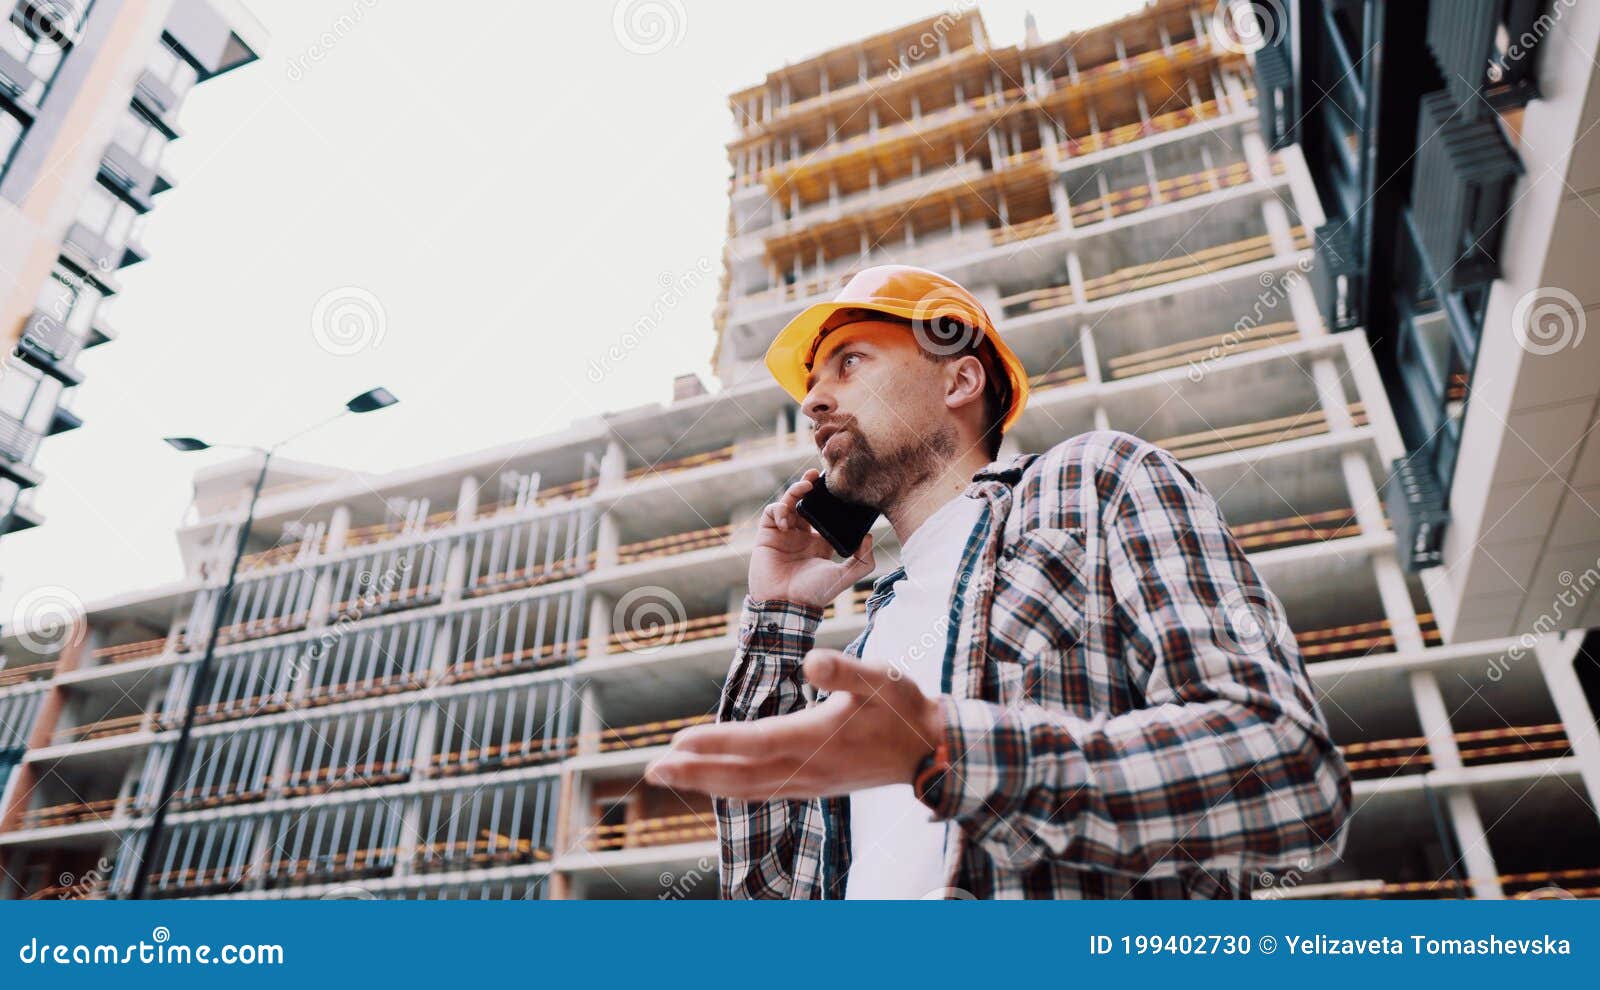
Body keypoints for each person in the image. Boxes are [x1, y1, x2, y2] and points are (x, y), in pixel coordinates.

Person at [645, 264, 1352, 899]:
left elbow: (1289, 771)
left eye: (848, 363)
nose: (815, 403)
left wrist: (951, 752)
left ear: (958, 378)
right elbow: (769, 898)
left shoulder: (1095, 484)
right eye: (812, 385)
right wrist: (777, 617)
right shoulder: (867, 651)